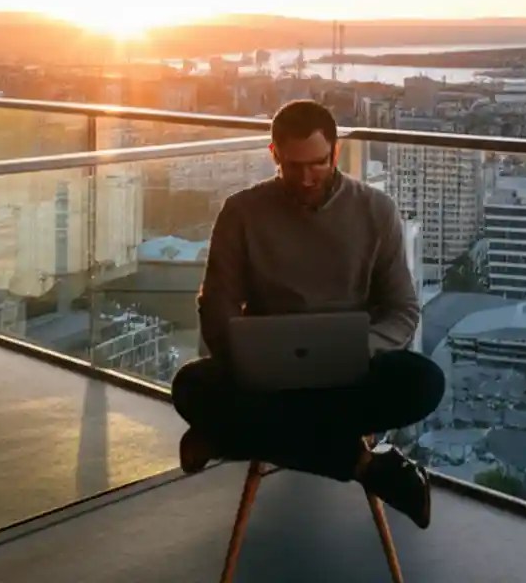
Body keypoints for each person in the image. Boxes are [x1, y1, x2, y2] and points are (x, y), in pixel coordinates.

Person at [171, 99, 445, 529]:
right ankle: (365, 466)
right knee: (190, 385)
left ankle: (229, 437)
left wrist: (362, 348)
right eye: (292, 166)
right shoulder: (241, 212)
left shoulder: (375, 210)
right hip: (267, 374)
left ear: (335, 153)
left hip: (348, 372)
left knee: (424, 382)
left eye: (317, 163)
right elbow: (218, 301)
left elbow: (402, 310)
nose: (305, 178)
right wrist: (241, 357)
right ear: (274, 155)